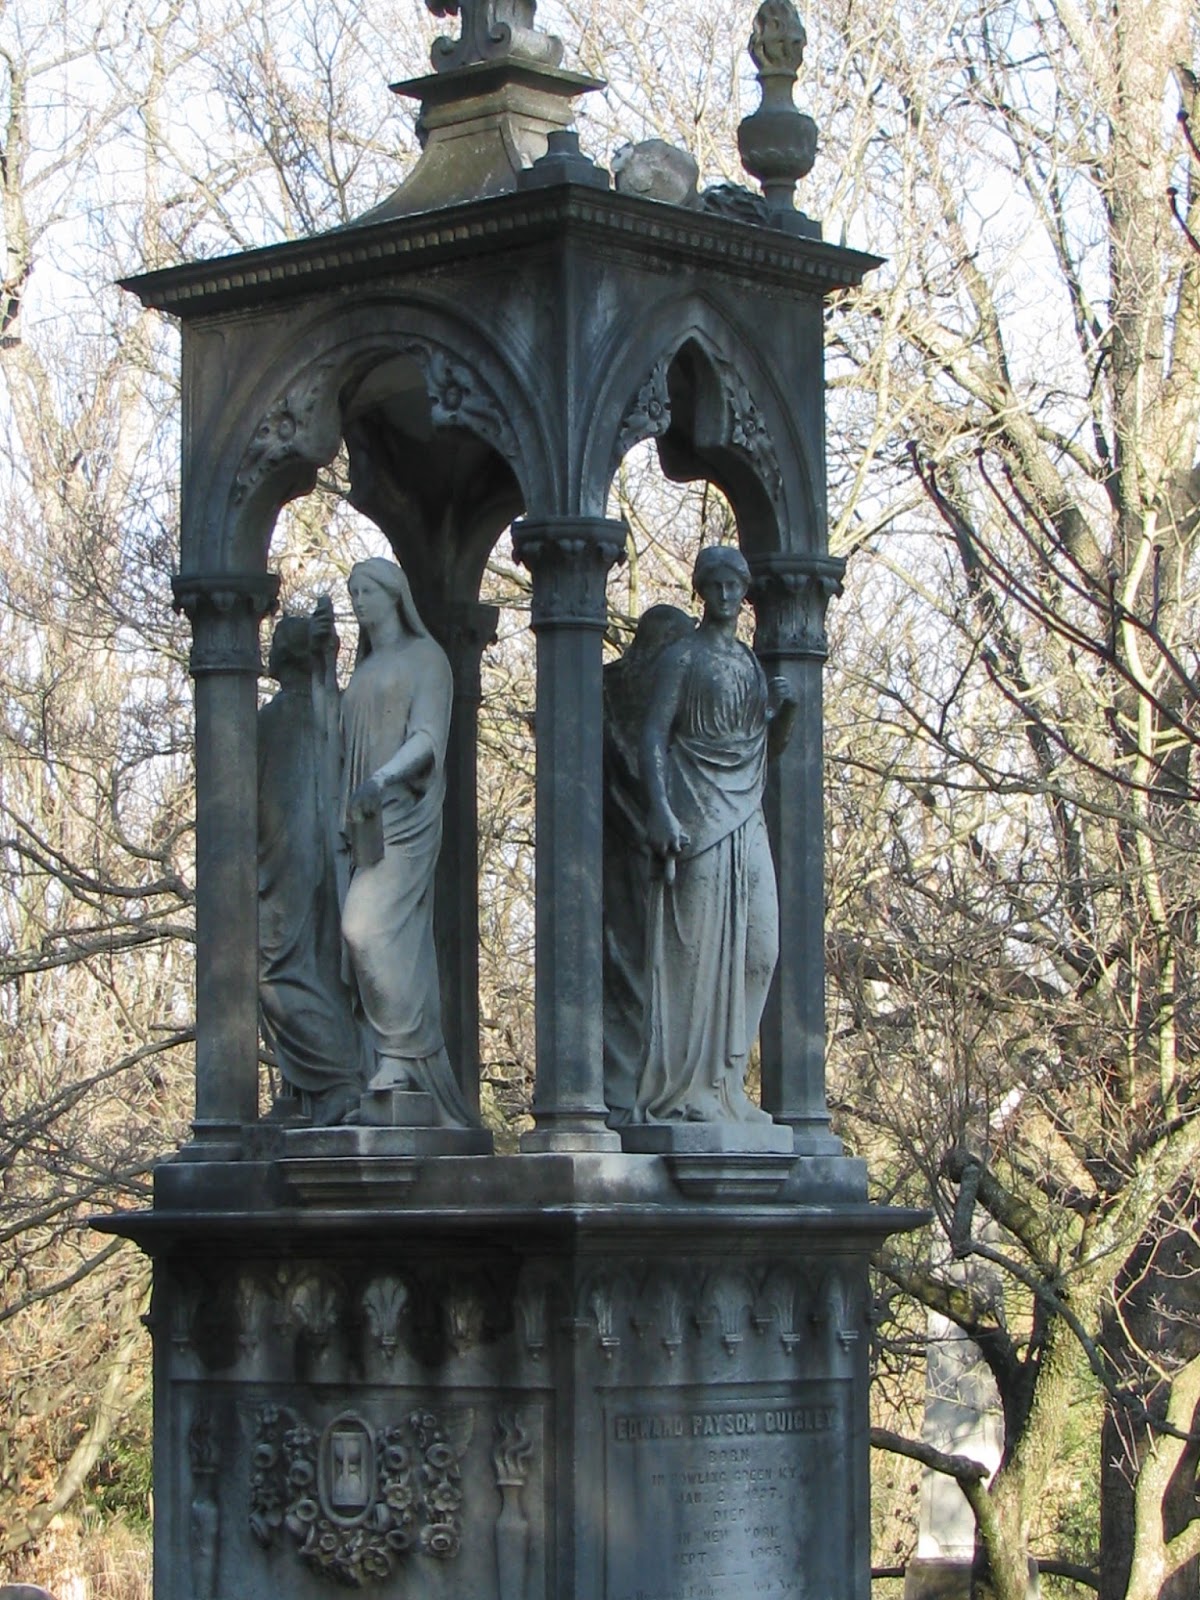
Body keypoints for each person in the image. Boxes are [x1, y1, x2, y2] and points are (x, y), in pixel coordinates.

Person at [634, 545, 796, 1124]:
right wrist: (660, 810)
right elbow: (653, 735)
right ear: (701, 590)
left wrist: (784, 715)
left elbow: (764, 749)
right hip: (697, 815)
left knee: (760, 948)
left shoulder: (750, 662)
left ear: (745, 590)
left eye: (735, 585)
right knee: (695, 955)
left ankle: (728, 1083)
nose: (726, 595)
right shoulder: (682, 656)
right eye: (716, 585)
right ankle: (688, 1090)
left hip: (745, 813)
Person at [333, 558, 473, 1128]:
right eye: (352, 593)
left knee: (367, 928)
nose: (358, 601)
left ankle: (404, 1052)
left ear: (395, 593)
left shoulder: (426, 659)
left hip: (405, 815)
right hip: (364, 823)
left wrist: (382, 780)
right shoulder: (366, 667)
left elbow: (427, 739)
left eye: (366, 590)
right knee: (384, 938)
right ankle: (386, 1060)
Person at [258, 612, 363, 1124]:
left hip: (288, 872)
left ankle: (337, 1080)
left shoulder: (272, 720)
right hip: (323, 864)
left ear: (284, 657)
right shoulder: (334, 711)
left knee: (274, 973)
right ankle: (307, 1094)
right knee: (321, 969)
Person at [601, 604, 695, 1124]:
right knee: (641, 963)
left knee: (642, 963)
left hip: (638, 848)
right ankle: (636, 1089)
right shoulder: (631, 689)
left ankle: (639, 1088)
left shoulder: (607, 686)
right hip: (637, 850)